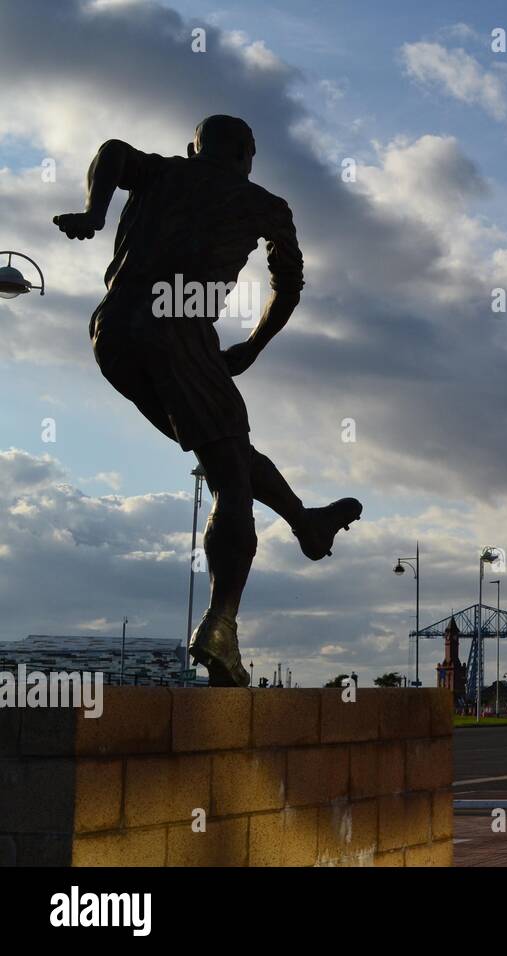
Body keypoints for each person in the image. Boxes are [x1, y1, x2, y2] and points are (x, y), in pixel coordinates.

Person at [54, 115, 362, 687]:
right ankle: (221, 626)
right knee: (230, 476)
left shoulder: (163, 172)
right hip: (180, 330)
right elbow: (289, 287)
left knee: (230, 452)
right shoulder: (266, 204)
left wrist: (96, 214)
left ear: (194, 148)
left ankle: (306, 523)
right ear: (248, 155)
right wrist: (253, 345)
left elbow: (113, 150)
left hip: (113, 332)